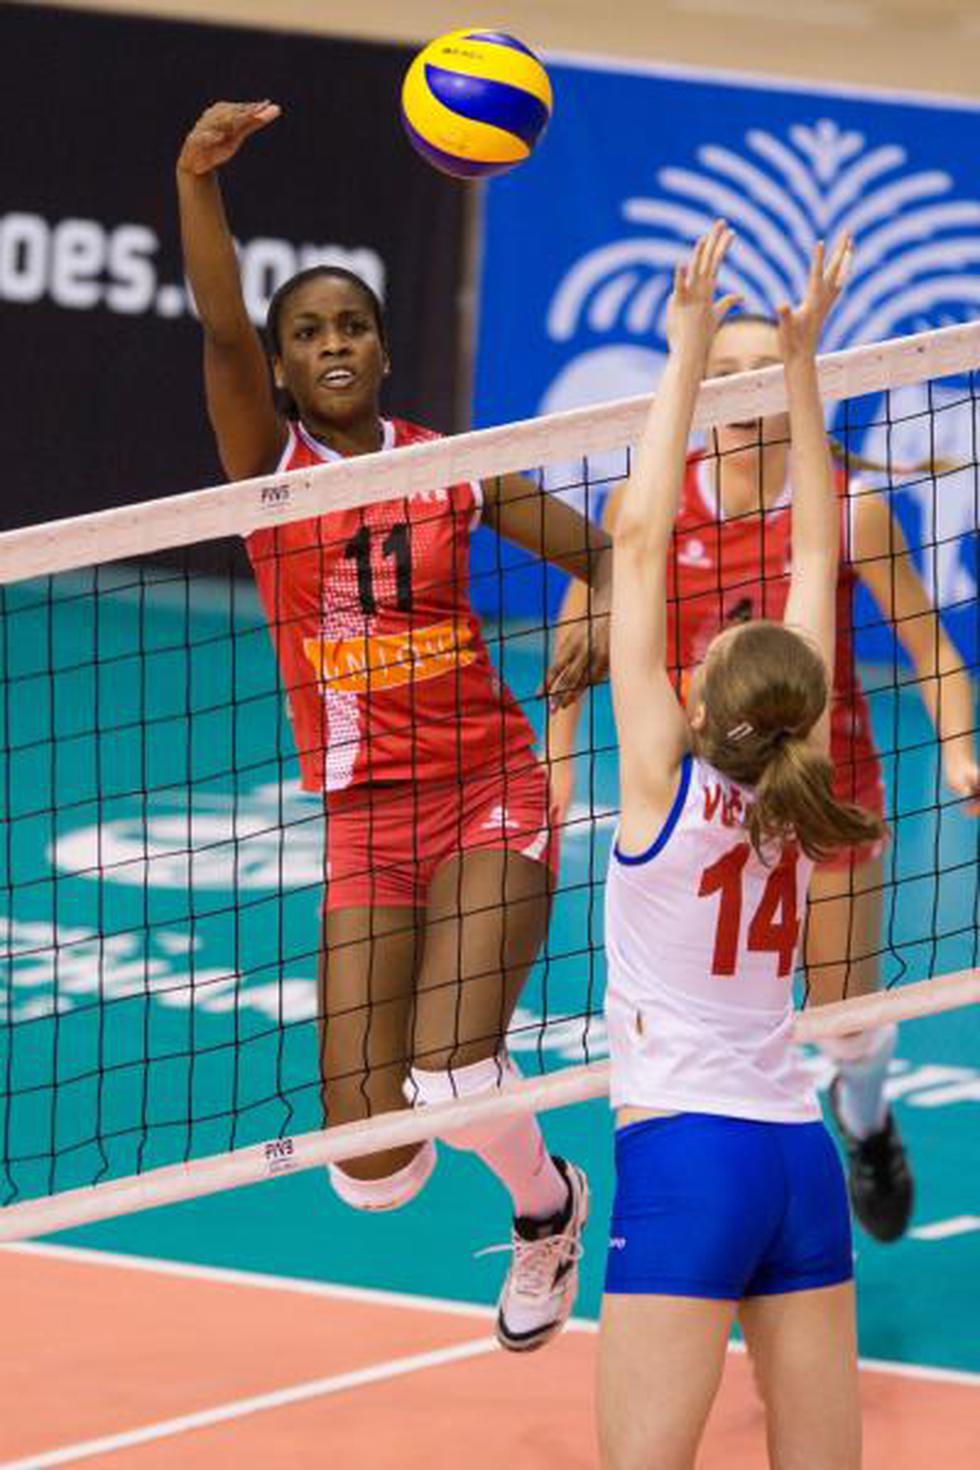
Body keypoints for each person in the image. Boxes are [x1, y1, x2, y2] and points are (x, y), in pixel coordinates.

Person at [176, 99, 611, 1352]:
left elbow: (610, 551)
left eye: (351, 325)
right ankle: (540, 1180)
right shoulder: (270, 475)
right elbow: (216, 324)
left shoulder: (451, 464)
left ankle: (544, 1216)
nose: (332, 344)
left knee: (453, 1069)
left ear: (380, 343)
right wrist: (196, 179)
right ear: (285, 361)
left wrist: (588, 605)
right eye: (306, 331)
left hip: (489, 786)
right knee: (370, 1153)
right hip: (363, 817)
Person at [548, 286, 980, 1248]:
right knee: (716, 1014)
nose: (744, 389)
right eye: (724, 371)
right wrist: (559, 758)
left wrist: (959, 748)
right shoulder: (648, 506)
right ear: (697, 389)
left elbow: (931, 650)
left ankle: (864, 1123)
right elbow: (583, 632)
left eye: (761, 371)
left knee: (844, 1013)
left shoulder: (850, 513)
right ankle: (746, 1184)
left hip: (821, 784)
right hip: (688, 793)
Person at [596, 223, 871, 1469]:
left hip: (685, 1157)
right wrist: (803, 365)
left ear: (699, 706)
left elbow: (638, 538)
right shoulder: (802, 792)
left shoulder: (658, 780)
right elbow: (820, 548)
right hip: (793, 1157)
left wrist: (687, 353)